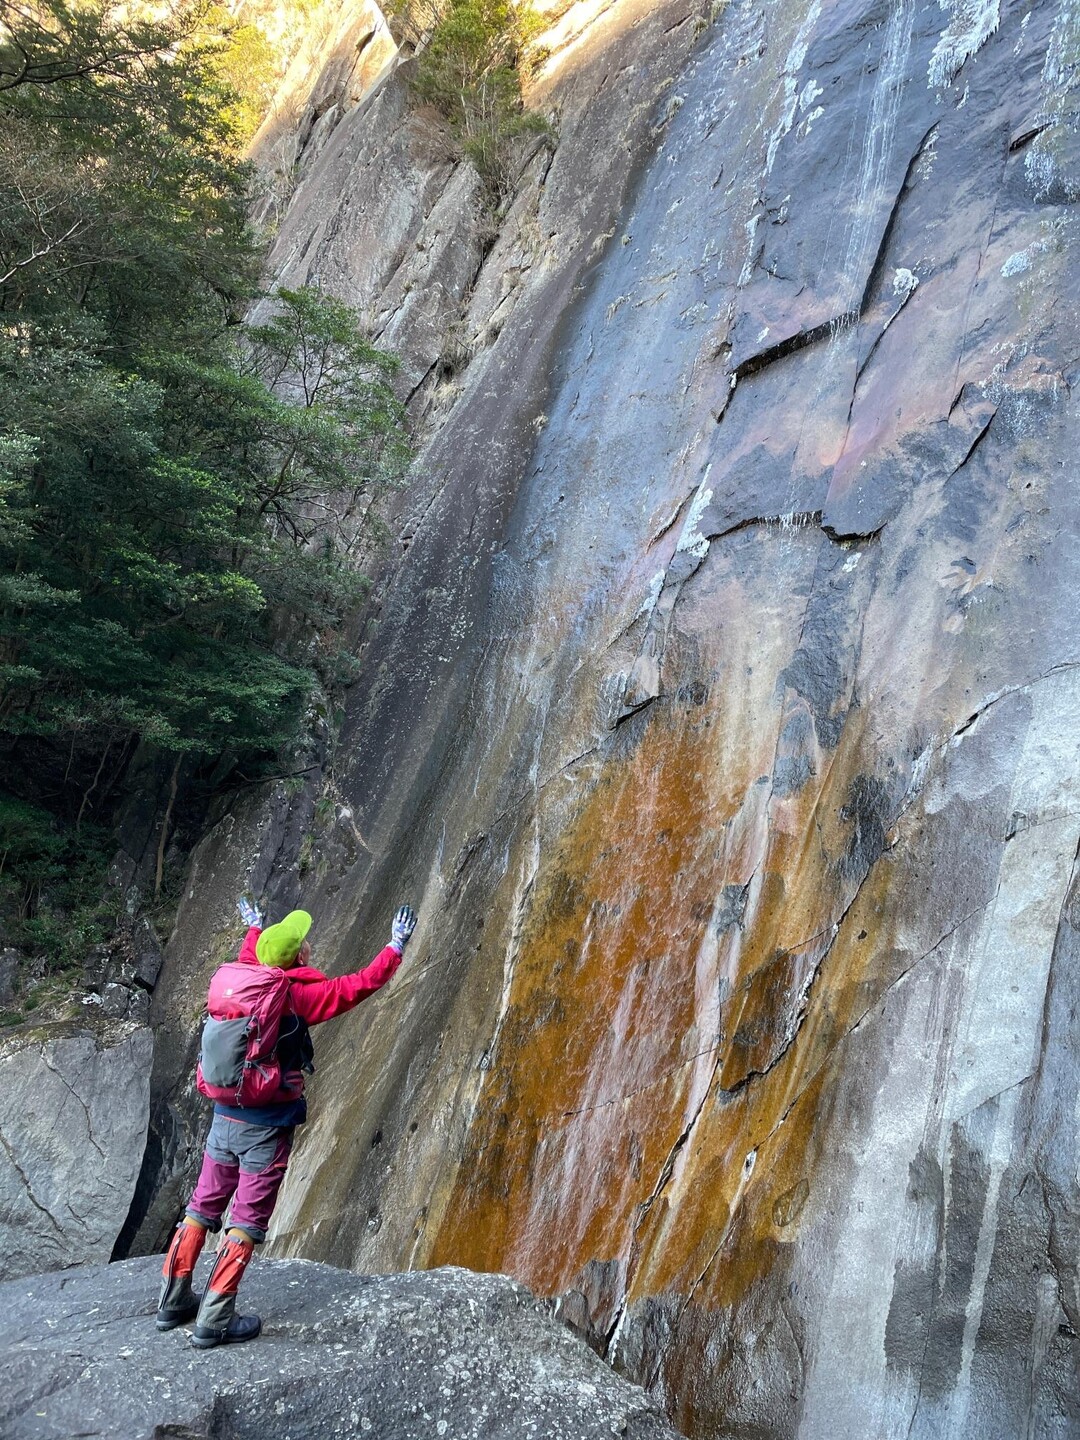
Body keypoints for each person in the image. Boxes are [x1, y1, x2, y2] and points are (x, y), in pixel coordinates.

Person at [156, 899, 417, 1348]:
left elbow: (250, 957)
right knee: (246, 1220)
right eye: (303, 943)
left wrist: (255, 929)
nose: (308, 945)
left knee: (202, 1206)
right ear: (298, 956)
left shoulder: (244, 983)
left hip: (224, 1115)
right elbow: (356, 987)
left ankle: (172, 1299)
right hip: (267, 1123)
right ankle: (214, 1319)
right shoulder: (295, 996)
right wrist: (394, 946)